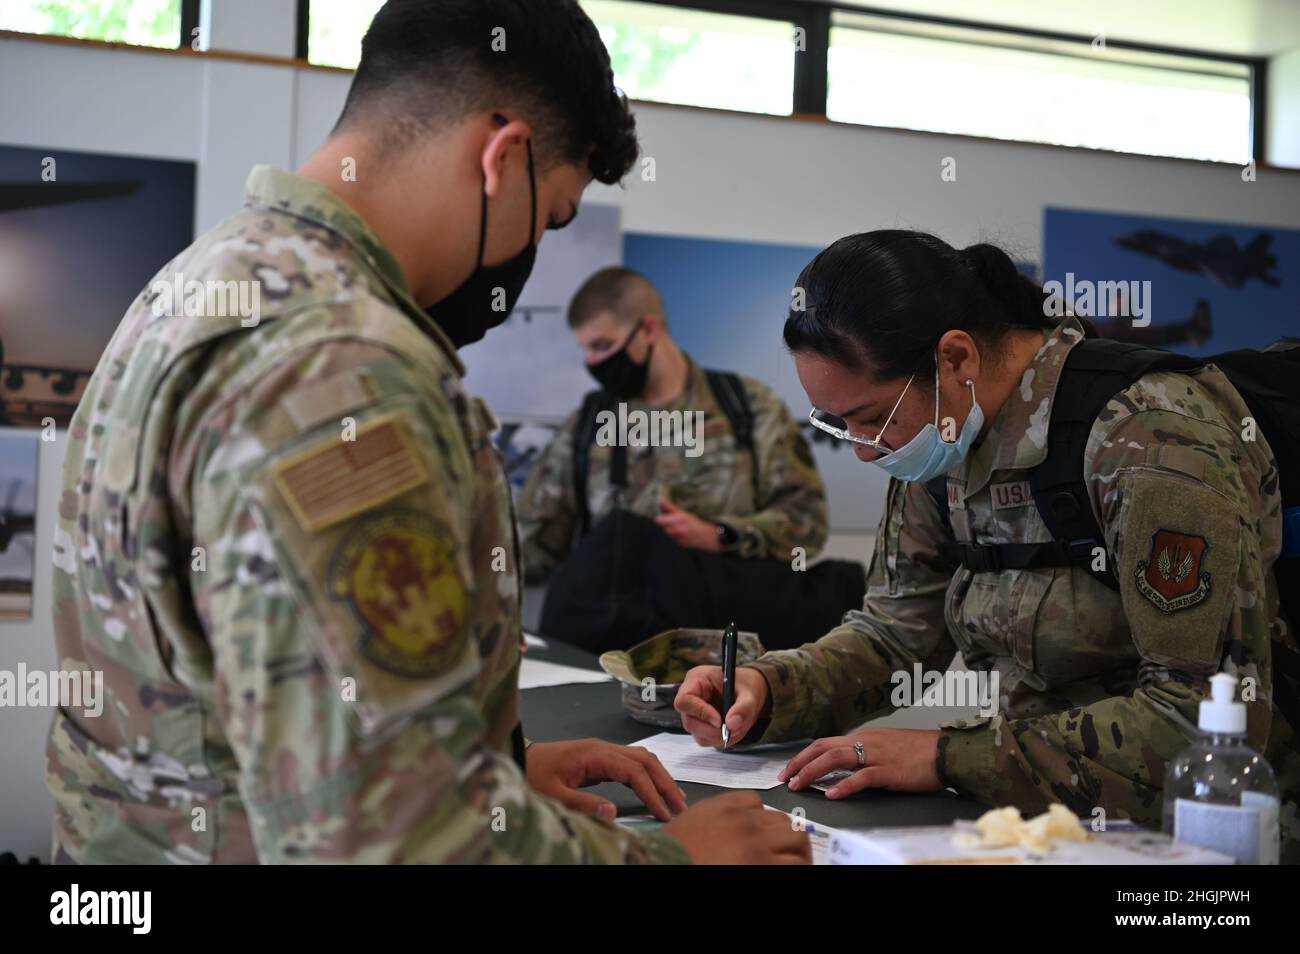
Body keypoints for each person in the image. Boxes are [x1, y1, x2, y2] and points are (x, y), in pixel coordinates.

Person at [46, 0, 808, 866]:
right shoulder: (345, 367)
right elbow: (390, 839)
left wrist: (495, 777)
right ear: (504, 156)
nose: (531, 255)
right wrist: (675, 862)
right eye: (550, 218)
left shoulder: (198, 284)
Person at [674, 229, 1299, 862]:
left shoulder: (1149, 440)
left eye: (873, 418)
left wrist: (951, 756)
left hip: (1199, 840)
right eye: (839, 424)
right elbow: (893, 634)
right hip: (1045, 824)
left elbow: (1200, 719)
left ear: (956, 359)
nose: (864, 449)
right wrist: (768, 688)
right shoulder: (941, 446)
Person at [517, 267, 828, 579]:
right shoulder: (588, 424)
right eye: (586, 350)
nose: (593, 362)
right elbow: (534, 545)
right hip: (617, 622)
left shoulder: (748, 406)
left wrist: (719, 535)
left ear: (648, 330)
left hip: (723, 618)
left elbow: (807, 522)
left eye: (602, 345)